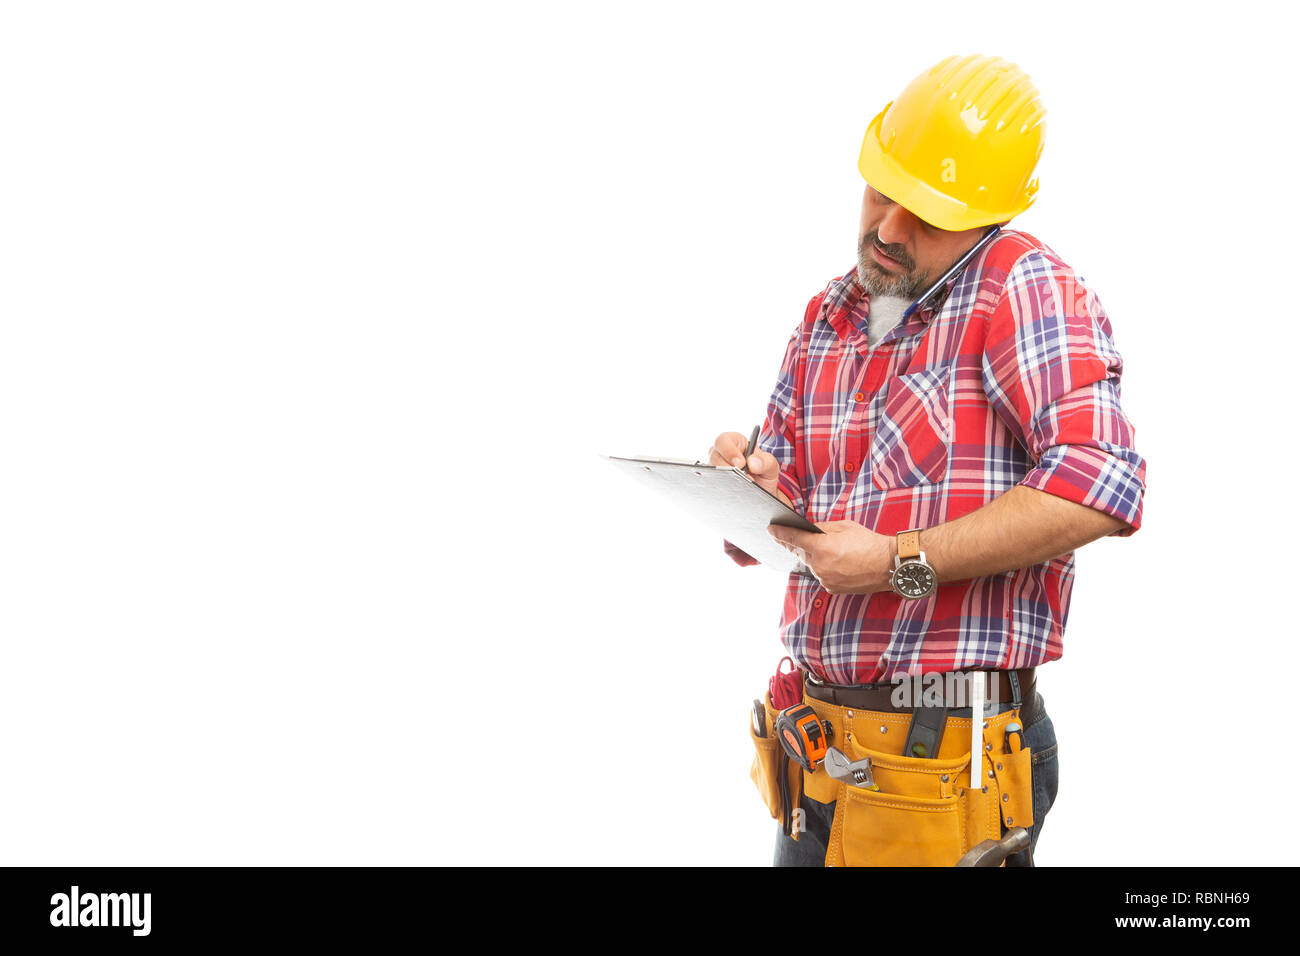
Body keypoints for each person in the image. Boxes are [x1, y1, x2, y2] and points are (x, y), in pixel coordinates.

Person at [710, 55, 1146, 866]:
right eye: (882, 193)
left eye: (926, 214)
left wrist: (894, 565)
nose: (887, 230)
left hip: (945, 758)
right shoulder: (827, 315)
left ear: (987, 216)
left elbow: (1100, 488)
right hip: (816, 752)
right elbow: (797, 508)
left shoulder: (1023, 290)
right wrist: (755, 488)